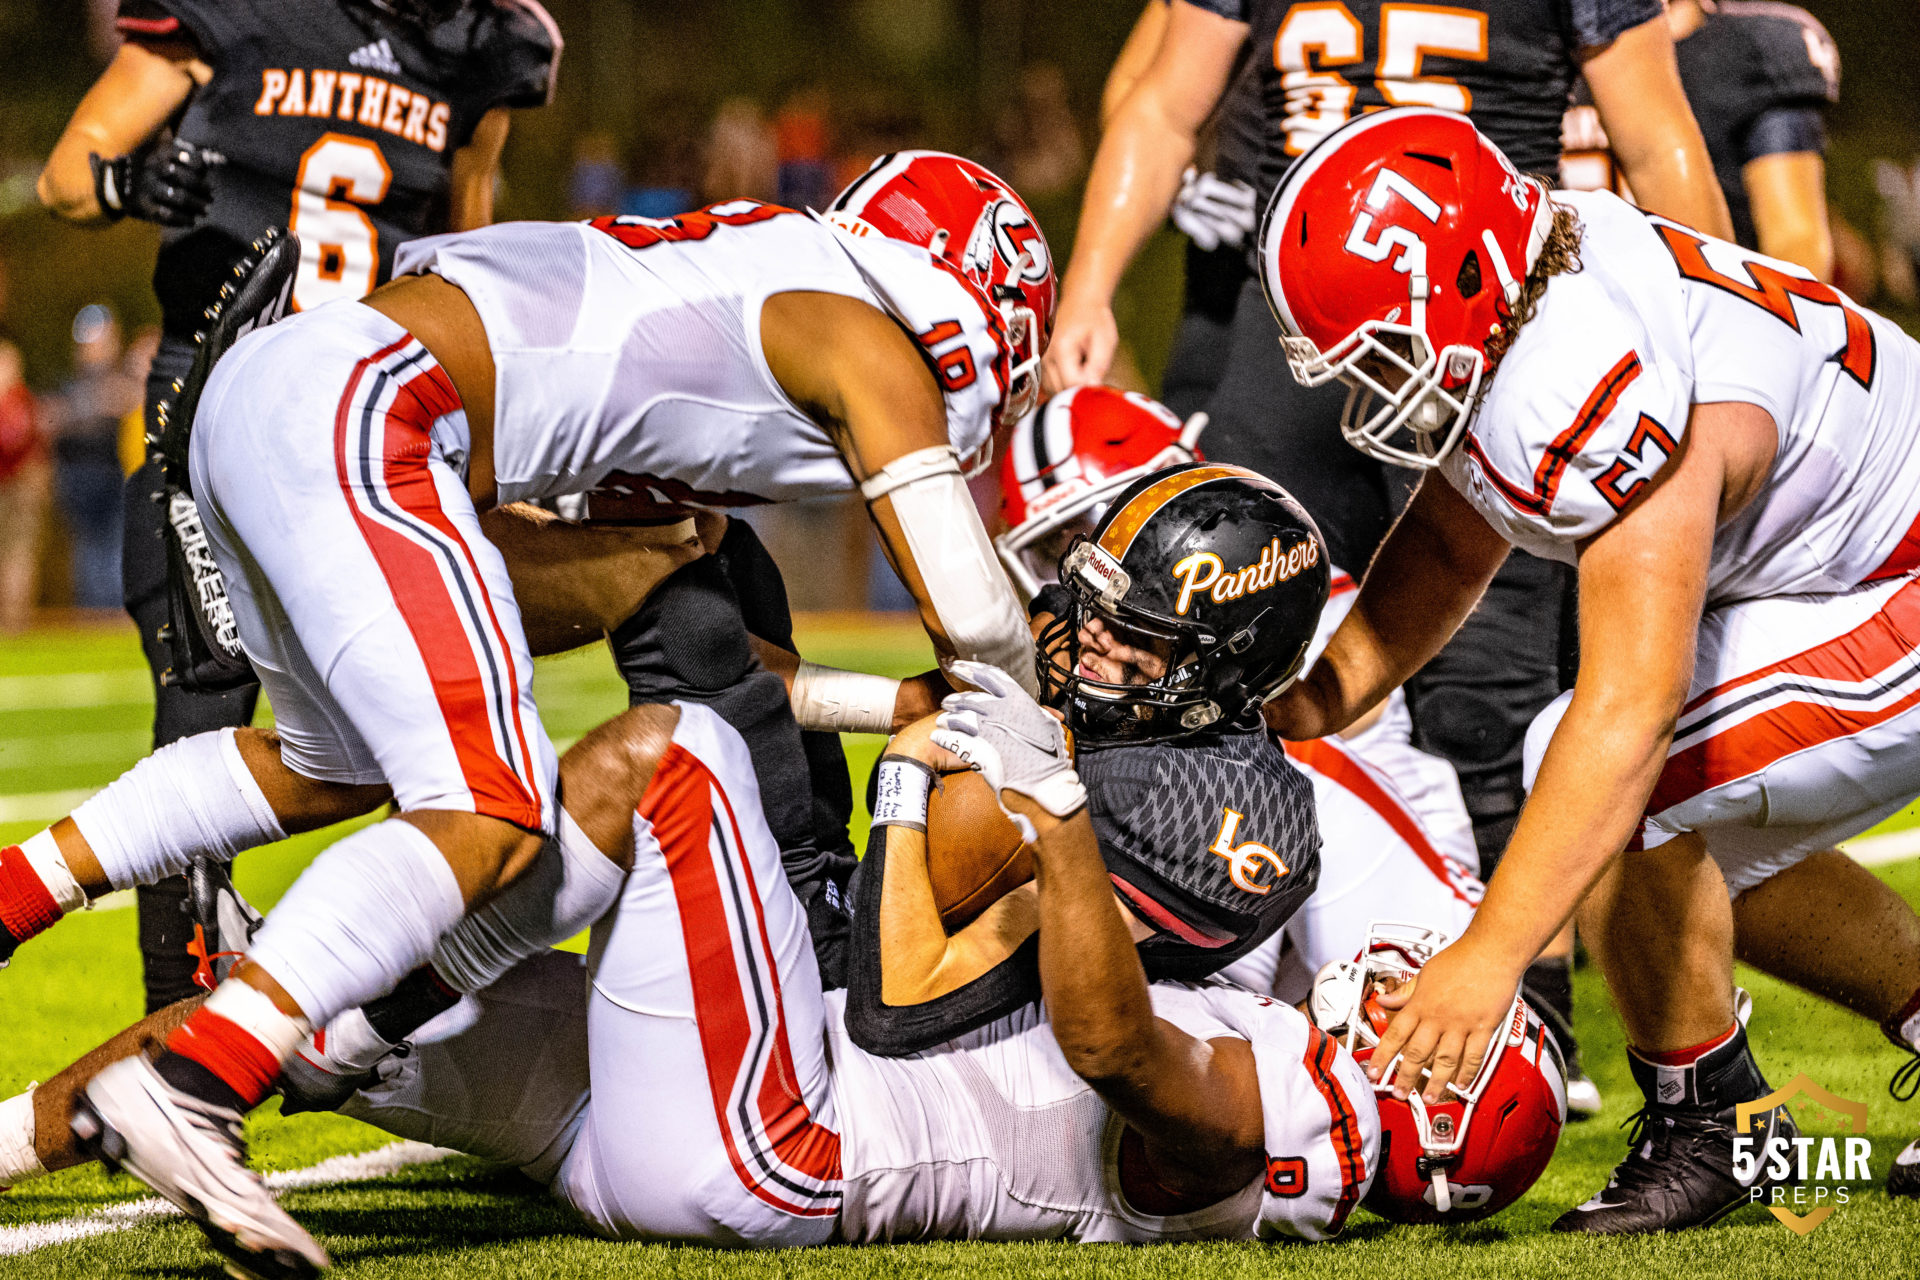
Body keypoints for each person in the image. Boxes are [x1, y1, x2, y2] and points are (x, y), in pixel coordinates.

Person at [0, 150, 1055, 1277]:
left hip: (297, 397)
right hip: (373, 410)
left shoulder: (719, 317)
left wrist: (897, 699)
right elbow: (980, 619)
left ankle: (18, 895)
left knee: (330, 764)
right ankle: (205, 1074)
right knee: (492, 808)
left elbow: (575, 591)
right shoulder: (857, 328)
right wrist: (1070, 723)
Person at [5, 670, 1568, 1265]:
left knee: (676, 753)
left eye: (1441, 1044)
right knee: (279, 1021)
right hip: (688, 1116)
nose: (1403, 1006)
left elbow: (1113, 1047)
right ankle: (20, 1135)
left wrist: (1071, 813)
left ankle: (430, 959)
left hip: (782, 1136)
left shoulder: (1280, 1131)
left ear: (1424, 1123)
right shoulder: (1307, 1071)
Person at [1047, 0, 1736, 1104]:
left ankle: (1529, 1016)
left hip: (1482, 311)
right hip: (1299, 321)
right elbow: (1164, 106)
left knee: (1492, 682)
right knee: (1199, 621)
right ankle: (1192, 938)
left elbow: (1657, 138)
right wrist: (1088, 288)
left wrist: (1710, 325)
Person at [1258, 105, 1920, 1232]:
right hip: (1847, 565)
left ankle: (1710, 1124)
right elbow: (1452, 538)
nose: (1376, 387)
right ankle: (1732, 1112)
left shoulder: (1587, 374)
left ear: (1467, 281)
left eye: (1388, 349)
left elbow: (1631, 715)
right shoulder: (1533, 282)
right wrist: (1316, 700)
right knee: (1618, 789)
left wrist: (1490, 955)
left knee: (1618, 779)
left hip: (1898, 577)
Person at [36, 0, 561, 1014]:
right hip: (213, 405)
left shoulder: (486, 49)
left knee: (442, 704)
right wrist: (129, 180)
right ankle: (173, 1017)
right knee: (207, 681)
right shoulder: (239, 12)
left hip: (375, 421)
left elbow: (471, 246)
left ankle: (409, 1001)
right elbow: (72, 172)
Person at [1561, 0, 1841, 278]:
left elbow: (1795, 246)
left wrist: (1750, 316)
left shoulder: (1752, 49)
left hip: (1697, 300)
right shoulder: (1548, 54)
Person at [46, 305, 138, 609]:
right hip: (79, 477)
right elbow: (53, 418)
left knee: (114, 548)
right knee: (89, 551)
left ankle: (111, 612)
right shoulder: (70, 385)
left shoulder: (124, 379)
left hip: (114, 473)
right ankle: (93, 614)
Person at [0, 338, 48, 633]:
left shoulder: (17, 400)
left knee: (18, 555)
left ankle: (15, 621)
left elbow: (14, 442)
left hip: (18, 490)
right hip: (10, 488)